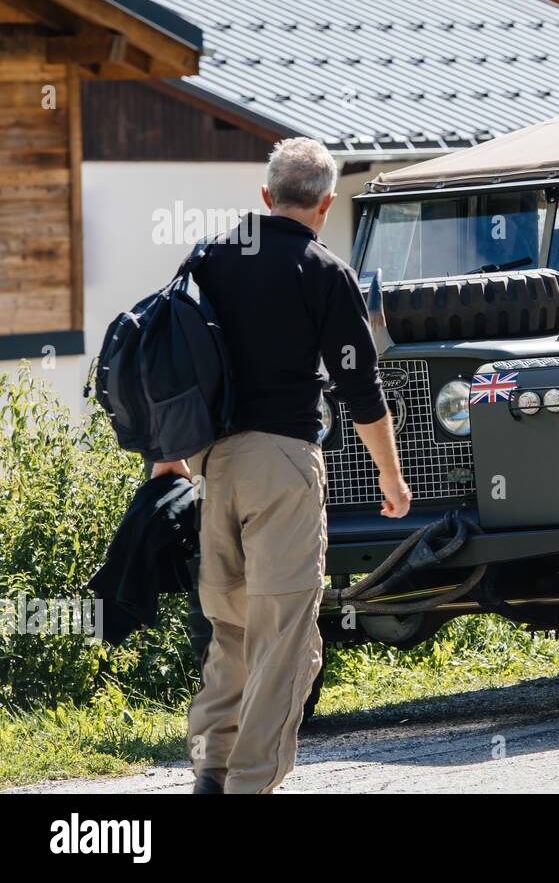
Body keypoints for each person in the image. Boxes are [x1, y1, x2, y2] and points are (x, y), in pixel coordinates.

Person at [151, 137, 411, 794]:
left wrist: (166, 459)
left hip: (215, 467)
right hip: (284, 465)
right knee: (286, 638)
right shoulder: (323, 271)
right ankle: (251, 786)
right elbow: (360, 389)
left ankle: (211, 772)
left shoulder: (210, 257)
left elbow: (167, 360)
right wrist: (390, 474)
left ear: (266, 197)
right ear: (326, 204)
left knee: (232, 630)